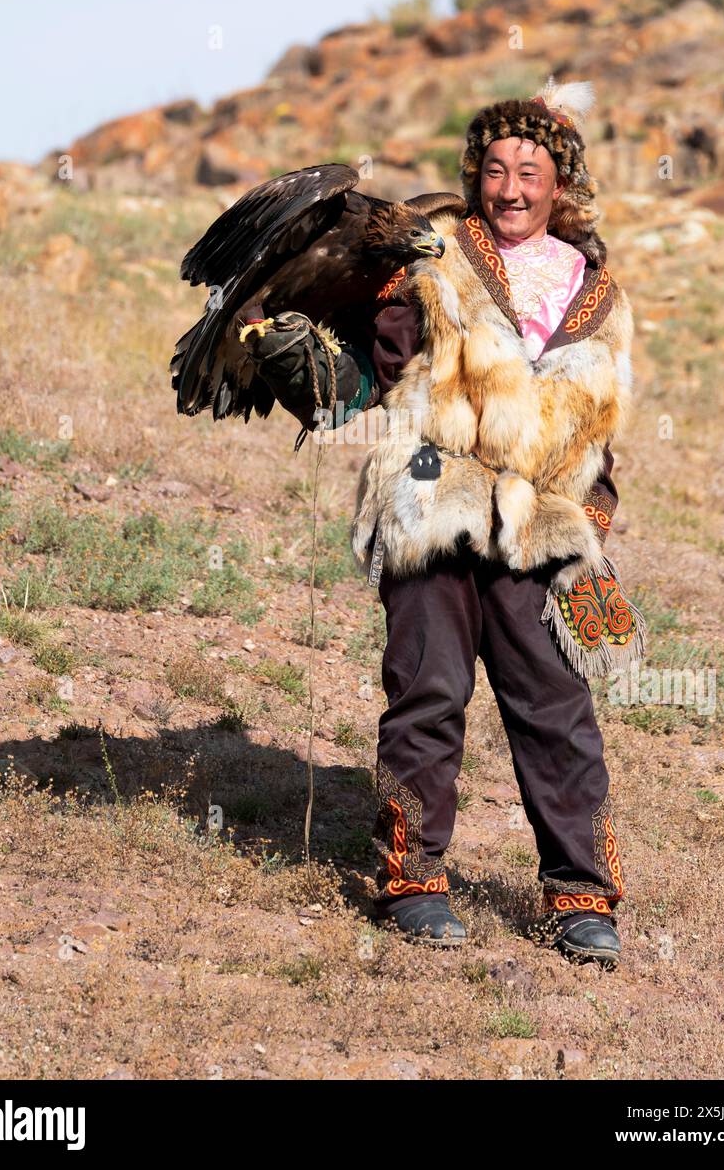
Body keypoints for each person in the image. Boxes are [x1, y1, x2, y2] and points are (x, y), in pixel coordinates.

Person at [243, 80, 646, 968]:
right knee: (428, 693)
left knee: (557, 710)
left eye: (530, 173)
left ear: (560, 186)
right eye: (494, 170)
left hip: (541, 527)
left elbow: (599, 432)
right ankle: (412, 881)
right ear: (474, 176)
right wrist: (314, 373)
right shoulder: (435, 258)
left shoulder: (601, 296)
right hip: (432, 501)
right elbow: (380, 369)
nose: (510, 189)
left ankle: (582, 895)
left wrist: (592, 529)